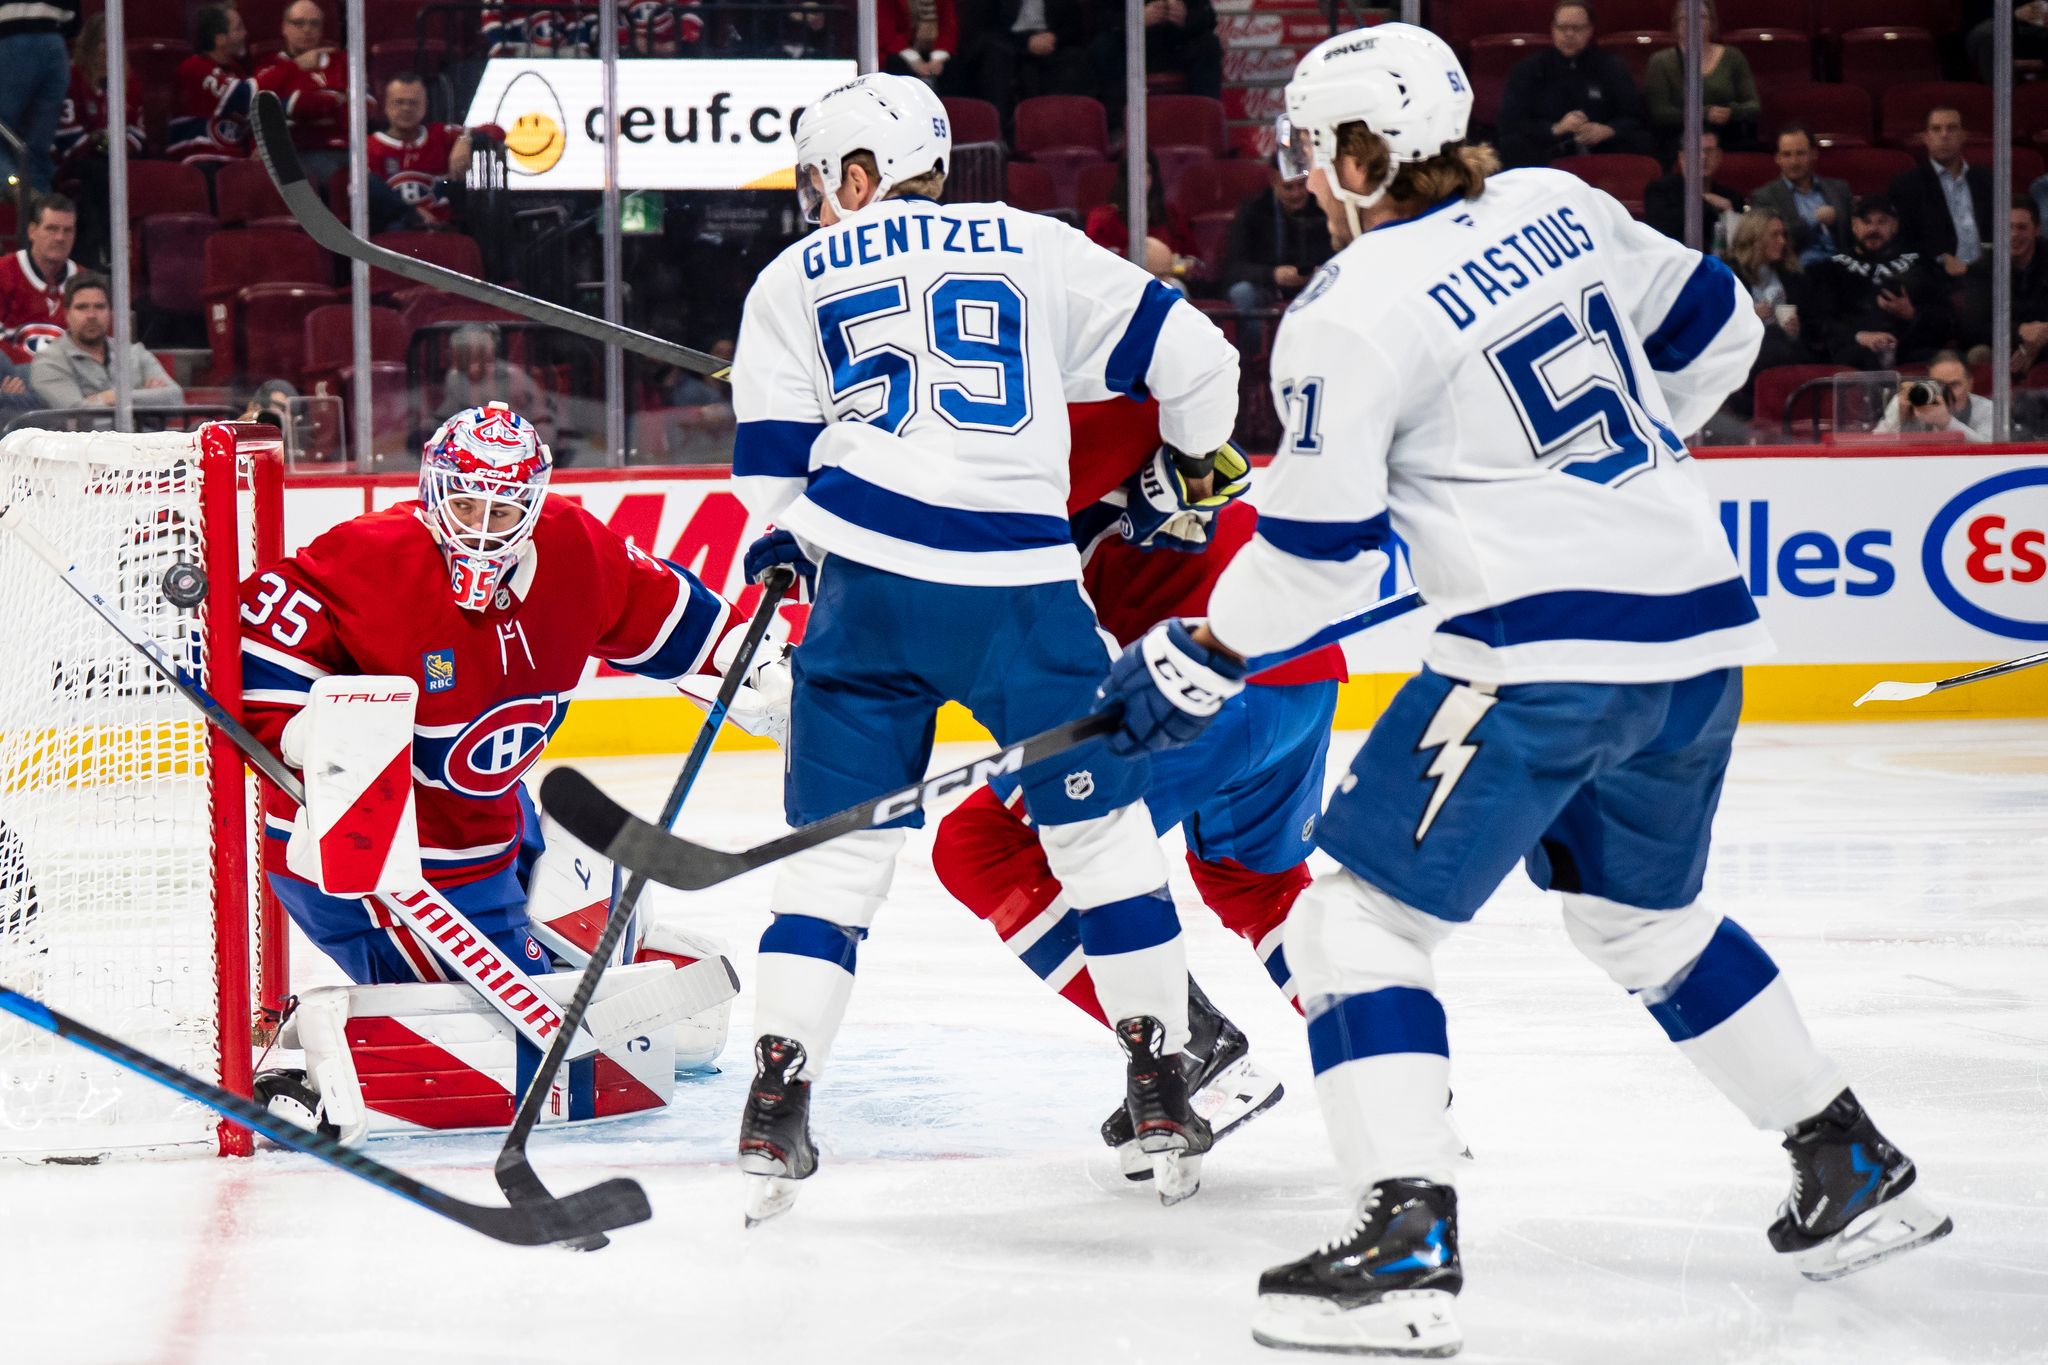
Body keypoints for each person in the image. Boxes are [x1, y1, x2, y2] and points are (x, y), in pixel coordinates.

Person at [1098, 26, 1952, 1356]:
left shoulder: (1346, 312)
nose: (1314, 177)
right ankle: (1846, 1161)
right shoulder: (1560, 205)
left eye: (1323, 151)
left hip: (1536, 660)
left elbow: (1312, 566)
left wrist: (1199, 652)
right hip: (1694, 640)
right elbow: (1722, 326)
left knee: (1353, 937)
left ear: (1365, 154)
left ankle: (1408, 1243)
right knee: (1640, 924)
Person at [728, 73, 1239, 1223]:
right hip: (1021, 599)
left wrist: (796, 511)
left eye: (823, 181)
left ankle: (775, 1104)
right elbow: (1199, 363)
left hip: (868, 598)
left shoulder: (786, 281)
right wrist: (1192, 468)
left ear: (857, 174)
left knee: (835, 865)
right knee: (1097, 842)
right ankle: (1158, 1084)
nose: (818, 203)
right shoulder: (1034, 245)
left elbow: (772, 490)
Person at [236, 401, 779, 986]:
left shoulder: (575, 550)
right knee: (534, 1032)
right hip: (376, 861)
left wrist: (757, 666)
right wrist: (308, 735)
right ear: (433, 489)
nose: (479, 527)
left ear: (534, 505)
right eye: (465, 503)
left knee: (606, 982)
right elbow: (252, 646)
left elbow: (679, 621)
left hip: (490, 823)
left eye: (503, 510)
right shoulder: (367, 555)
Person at [934, 395, 1336, 1179]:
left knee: (982, 845)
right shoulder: (1070, 400)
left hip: (1191, 678)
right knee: (1256, 884)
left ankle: (1194, 1048)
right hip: (1297, 672)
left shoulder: (1011, 441)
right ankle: (1397, 1071)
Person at [1497, 1, 1652, 168]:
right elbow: (1511, 122)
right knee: (1512, 145)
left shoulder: (1611, 66)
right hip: (1546, 146)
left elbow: (1634, 114)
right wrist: (1555, 128)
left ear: (1590, 30)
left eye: (1577, 28)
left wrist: (1608, 130)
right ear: (1552, 29)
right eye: (1562, 28)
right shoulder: (1529, 69)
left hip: (1602, 146)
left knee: (1640, 140)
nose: (1569, 34)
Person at [1805, 195, 1953, 370]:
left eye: (1882, 222)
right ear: (1854, 226)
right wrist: (1859, 336)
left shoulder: (1921, 264)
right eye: (1866, 222)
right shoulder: (1830, 268)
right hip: (1855, 351)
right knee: (1860, 359)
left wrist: (1912, 313)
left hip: (1910, 349)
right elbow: (1817, 321)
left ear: (1894, 226)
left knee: (1946, 363)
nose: (1873, 229)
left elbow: (1947, 319)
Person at [52, 14, 145, 271]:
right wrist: (100, 142)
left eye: (114, 41)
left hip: (113, 158)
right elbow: (66, 135)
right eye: (103, 41)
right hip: (76, 161)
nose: (109, 47)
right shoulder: (72, 76)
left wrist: (120, 144)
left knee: (138, 174)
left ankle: (134, 259)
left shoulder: (129, 80)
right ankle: (96, 258)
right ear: (90, 44)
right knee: (101, 176)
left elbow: (137, 132)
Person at [1223, 152, 1335, 356]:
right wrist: (1274, 275)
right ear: (1273, 180)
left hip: (1316, 285)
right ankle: (1252, 361)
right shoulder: (1253, 210)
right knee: (1242, 293)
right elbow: (1233, 269)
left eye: (1302, 185)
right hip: (1266, 287)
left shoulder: (1323, 208)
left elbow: (1338, 257)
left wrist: (1320, 273)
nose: (1296, 194)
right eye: (1288, 187)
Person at [28, 271, 184, 409]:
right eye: (82, 307)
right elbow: (77, 412)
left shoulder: (134, 352)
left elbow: (175, 398)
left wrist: (110, 397)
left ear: (110, 312)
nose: (91, 315)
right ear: (67, 314)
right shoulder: (49, 360)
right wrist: (146, 397)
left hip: (141, 440)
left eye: (99, 306)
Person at [943, 0, 1093, 126]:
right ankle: (997, 130)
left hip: (1049, 41)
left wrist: (1055, 38)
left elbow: (1073, 25)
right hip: (1008, 42)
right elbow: (987, 26)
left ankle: (1062, 131)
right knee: (996, 56)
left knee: (1074, 59)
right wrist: (1025, 43)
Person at [256, 0, 355, 185]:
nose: (307, 29)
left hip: (351, 148)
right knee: (338, 180)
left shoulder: (342, 62)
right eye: (299, 23)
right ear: (285, 27)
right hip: (302, 151)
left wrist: (305, 108)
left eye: (314, 23)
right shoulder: (271, 66)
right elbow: (279, 106)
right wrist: (337, 98)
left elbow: (367, 106)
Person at [1888, 106, 1992, 280]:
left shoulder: (1987, 179)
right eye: (1936, 129)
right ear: (1926, 138)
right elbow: (1903, 240)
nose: (1944, 135)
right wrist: (1941, 257)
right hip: (1936, 274)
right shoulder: (1907, 184)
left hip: (1987, 272)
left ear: (1963, 136)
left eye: (1951, 128)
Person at [1643, 0, 1758, 156]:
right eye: (1686, 18)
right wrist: (1704, 114)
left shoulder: (1733, 57)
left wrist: (1731, 112)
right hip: (1679, 140)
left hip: (1728, 137)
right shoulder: (1661, 61)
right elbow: (1660, 112)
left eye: (1702, 17)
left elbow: (1753, 106)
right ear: (1676, 25)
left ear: (1712, 23)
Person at [1722, 209, 1812, 405]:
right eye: (1774, 235)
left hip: (1786, 352)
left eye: (1783, 235)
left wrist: (1796, 329)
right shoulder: (1728, 275)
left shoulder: (1791, 275)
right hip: (1743, 355)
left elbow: (1814, 321)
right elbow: (1714, 323)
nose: (1782, 241)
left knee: (1780, 339)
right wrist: (1747, 316)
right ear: (1754, 238)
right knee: (1772, 336)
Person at [367, 71, 475, 229]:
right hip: (392, 232)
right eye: (399, 102)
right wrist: (412, 213)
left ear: (425, 106)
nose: (406, 108)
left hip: (441, 230)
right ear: (386, 106)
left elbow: (495, 131)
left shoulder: (440, 135)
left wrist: (465, 139)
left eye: (413, 103)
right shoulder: (369, 146)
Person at [1089, 0, 1223, 123]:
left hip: (1177, 48)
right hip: (1129, 51)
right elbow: (1098, 20)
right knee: (1103, 46)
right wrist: (1136, 19)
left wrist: (1186, 18)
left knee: (1209, 44)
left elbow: (1208, 18)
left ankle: (1206, 125)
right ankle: (1116, 127)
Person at [1085, 149, 1199, 285]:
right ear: (1125, 176)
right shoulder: (1102, 218)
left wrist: (1178, 266)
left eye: (1147, 172)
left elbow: (1192, 259)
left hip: (1167, 282)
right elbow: (1098, 263)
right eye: (1135, 171)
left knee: (1173, 286)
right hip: (1121, 285)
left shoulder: (1170, 214)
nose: (1141, 178)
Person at [1961, 203, 2048, 375]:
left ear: (2037, 230)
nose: (2014, 235)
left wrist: (2040, 339)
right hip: (2001, 348)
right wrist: (2019, 331)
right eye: (2008, 227)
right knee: (1978, 354)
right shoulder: (1982, 268)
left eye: (2022, 228)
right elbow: (1971, 327)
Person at [1749, 125, 1852, 269]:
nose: (1794, 162)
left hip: (1843, 270)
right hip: (1796, 273)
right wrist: (1813, 219)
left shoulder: (1839, 189)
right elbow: (1772, 242)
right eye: (1787, 155)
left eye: (1800, 154)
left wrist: (1836, 222)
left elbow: (1854, 233)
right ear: (1777, 158)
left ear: (1814, 154)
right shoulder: (1764, 197)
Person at [0, 0, 74, 192]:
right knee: (37, 147)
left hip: (10, 37)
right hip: (54, 41)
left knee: (7, 137)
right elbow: (73, 17)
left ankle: (17, 194)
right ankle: (39, 207)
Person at [169, 5, 253, 165]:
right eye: (238, 28)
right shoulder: (193, 67)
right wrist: (291, 66)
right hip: (199, 160)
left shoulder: (237, 71)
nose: (245, 34)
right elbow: (244, 96)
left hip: (235, 163)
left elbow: (254, 115)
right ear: (220, 39)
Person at [0, 194, 80, 363]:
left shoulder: (85, 281)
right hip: (14, 378)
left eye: (68, 230)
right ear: (32, 231)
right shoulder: (3, 272)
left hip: (69, 379)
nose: (60, 238)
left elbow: (103, 345)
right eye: (51, 229)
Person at [1641, 128, 1744, 247]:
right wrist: (1705, 202)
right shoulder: (1659, 191)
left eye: (1709, 151)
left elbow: (1740, 246)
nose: (1703, 157)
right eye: (1696, 150)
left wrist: (1729, 213)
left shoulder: (1731, 197)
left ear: (1719, 157)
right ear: (1682, 158)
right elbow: (1663, 232)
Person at [440, 323, 550, 426]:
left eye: (483, 361)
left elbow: (542, 418)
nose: (474, 369)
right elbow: (448, 416)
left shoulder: (513, 377)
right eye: (466, 360)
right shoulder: (454, 378)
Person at [1874, 351, 1992, 442]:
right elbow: (1875, 444)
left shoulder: (1987, 409)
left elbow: (1993, 453)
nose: (1947, 392)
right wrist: (1898, 417)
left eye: (1954, 385)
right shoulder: (1909, 399)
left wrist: (1947, 423)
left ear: (1969, 384)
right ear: (1927, 381)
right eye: (1939, 384)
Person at [879, 0, 955, 85]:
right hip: (901, 49)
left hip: (935, 48)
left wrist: (938, 58)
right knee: (896, 63)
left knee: (953, 65)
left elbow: (948, 25)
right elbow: (887, 32)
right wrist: (914, 61)